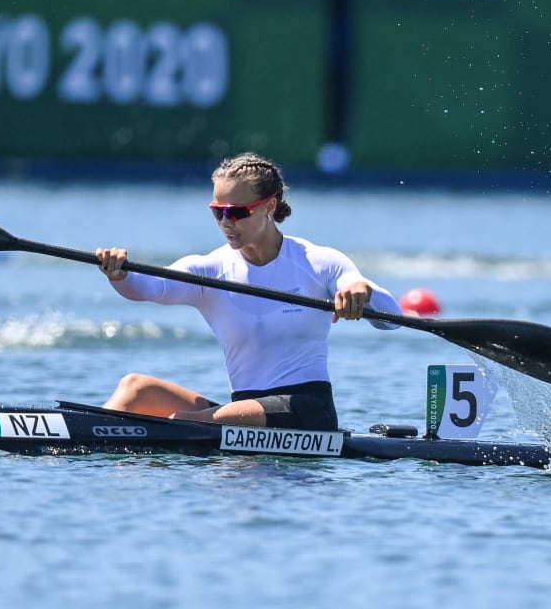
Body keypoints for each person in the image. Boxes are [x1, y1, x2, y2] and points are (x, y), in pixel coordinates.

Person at [95, 152, 400, 431]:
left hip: (306, 411)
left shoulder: (318, 261)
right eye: (218, 212)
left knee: (184, 423)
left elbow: (393, 318)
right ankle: (89, 441)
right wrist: (119, 274)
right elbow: (150, 287)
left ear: (269, 206)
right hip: (242, 409)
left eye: (237, 212)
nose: (226, 222)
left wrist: (363, 292)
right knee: (136, 388)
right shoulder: (211, 269)